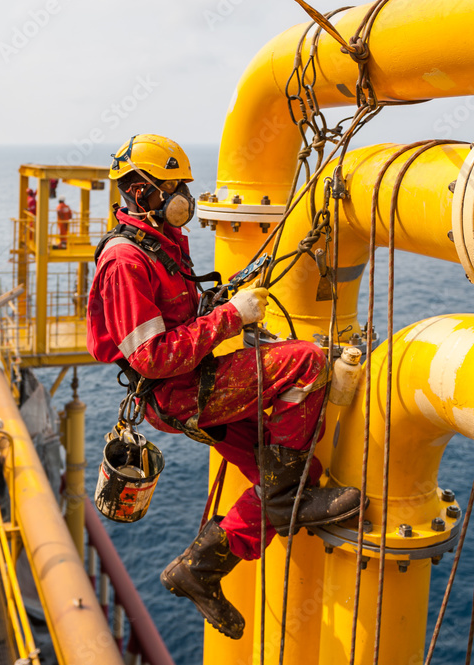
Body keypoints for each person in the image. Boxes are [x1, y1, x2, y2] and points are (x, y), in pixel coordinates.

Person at [86, 134, 362, 640]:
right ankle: (284, 504)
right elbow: (152, 356)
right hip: (179, 391)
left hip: (192, 381)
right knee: (307, 363)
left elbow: (177, 318)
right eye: (173, 187)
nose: (182, 198)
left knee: (295, 479)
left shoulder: (158, 244)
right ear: (141, 191)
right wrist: (231, 318)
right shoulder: (126, 262)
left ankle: (199, 569)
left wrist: (217, 310)